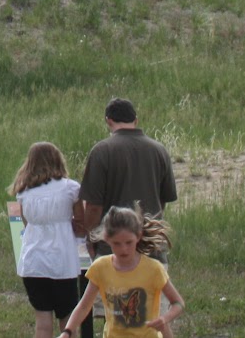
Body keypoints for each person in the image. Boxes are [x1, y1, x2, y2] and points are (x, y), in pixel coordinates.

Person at [58, 206, 184, 338]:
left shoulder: (154, 269)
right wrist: (67, 332)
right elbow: (84, 306)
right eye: (117, 243)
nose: (124, 249)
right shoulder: (100, 267)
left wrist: (165, 319)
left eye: (129, 242)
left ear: (138, 236)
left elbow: (178, 303)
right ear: (107, 239)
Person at [75, 98, 177, 258]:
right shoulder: (159, 150)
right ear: (136, 120)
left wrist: (91, 238)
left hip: (112, 247)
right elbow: (162, 200)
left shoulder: (102, 151)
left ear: (108, 121)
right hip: (151, 245)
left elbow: (94, 207)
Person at [11, 142, 84, 338]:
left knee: (42, 323)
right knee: (68, 323)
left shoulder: (23, 192)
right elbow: (80, 223)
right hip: (62, 261)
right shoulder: (71, 188)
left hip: (33, 261)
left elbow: (27, 225)